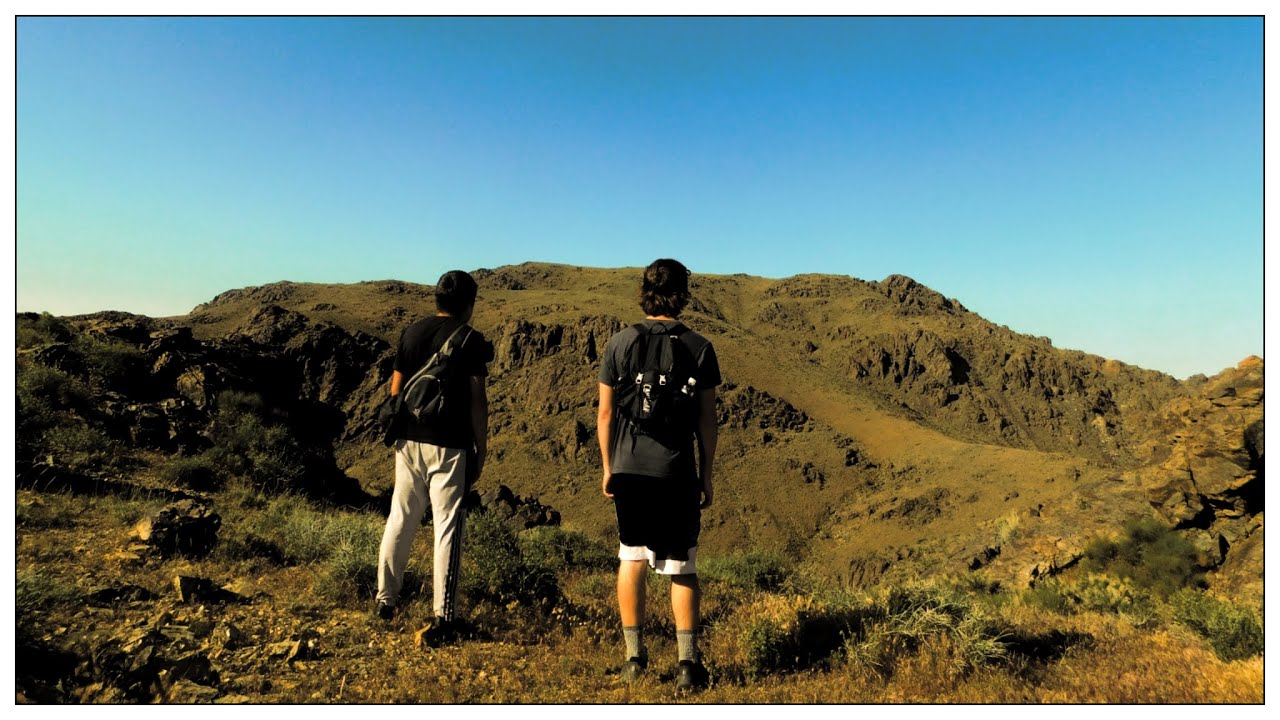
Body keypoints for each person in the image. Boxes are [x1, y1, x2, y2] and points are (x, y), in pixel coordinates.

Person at [597, 258, 721, 692]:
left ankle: (634, 659)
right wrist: (706, 476)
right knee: (681, 566)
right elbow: (707, 421)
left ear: (645, 292)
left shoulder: (618, 344)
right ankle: (689, 665)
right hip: (675, 471)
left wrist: (609, 469)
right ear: (683, 294)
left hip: (629, 468)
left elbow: (606, 413)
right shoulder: (700, 347)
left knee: (631, 558)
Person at [375, 270, 494, 643]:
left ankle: (385, 601)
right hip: (449, 444)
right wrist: (481, 447)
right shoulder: (470, 340)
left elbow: (396, 390)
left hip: (408, 440)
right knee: (447, 527)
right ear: (468, 304)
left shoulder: (411, 333)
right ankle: (444, 617)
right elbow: (478, 400)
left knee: (401, 517)